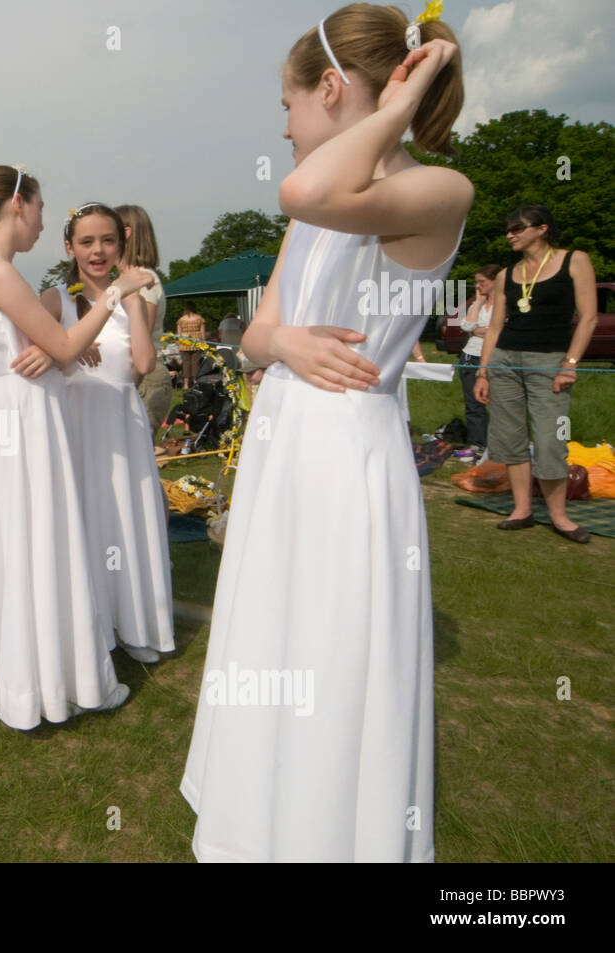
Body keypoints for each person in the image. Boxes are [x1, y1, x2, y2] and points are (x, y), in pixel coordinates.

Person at [181, 2, 473, 862]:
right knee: (273, 638)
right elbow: (252, 338)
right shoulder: (317, 216)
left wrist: (393, 109)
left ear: (335, 88)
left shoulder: (438, 188)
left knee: (331, 657)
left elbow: (306, 185)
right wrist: (287, 342)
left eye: (290, 100)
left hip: (347, 454)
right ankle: (258, 823)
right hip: (282, 443)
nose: (283, 121)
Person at [0, 164, 155, 730]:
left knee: (22, 538)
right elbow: (65, 342)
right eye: (40, 208)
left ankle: (30, 671)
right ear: (18, 205)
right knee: (41, 535)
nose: (43, 221)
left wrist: (61, 353)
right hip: (24, 418)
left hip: (16, 409)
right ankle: (58, 677)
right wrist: (117, 291)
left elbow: (53, 349)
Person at [42, 203, 174, 663]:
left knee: (123, 517)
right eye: (86, 242)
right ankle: (88, 624)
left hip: (121, 419)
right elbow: (42, 359)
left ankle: (134, 620)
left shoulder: (136, 293)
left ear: (121, 243)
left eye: (107, 241)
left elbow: (143, 363)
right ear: (69, 247)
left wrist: (130, 296)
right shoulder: (55, 297)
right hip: (74, 421)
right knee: (82, 517)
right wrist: (75, 349)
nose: (97, 251)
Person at [474, 205, 597, 543]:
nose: (510, 234)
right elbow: (495, 326)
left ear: (542, 229)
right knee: (509, 437)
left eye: (517, 228)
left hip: (549, 361)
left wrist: (569, 364)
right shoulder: (505, 275)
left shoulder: (575, 260)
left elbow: (588, 318)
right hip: (504, 361)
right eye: (508, 228)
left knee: (549, 440)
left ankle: (559, 517)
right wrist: (483, 373)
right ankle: (522, 510)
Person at [117, 205, 172, 436]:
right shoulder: (127, 279)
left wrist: (124, 387)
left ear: (126, 233)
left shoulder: (144, 280)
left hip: (144, 378)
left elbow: (142, 339)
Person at [454, 264, 499, 454]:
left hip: (495, 357)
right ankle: (477, 443)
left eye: (482, 282)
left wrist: (480, 331)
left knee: (498, 402)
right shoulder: (477, 304)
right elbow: (466, 325)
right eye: (476, 283)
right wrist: (479, 302)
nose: (478, 286)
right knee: (473, 402)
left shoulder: (505, 303)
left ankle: (499, 444)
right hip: (470, 356)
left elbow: (501, 330)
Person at [174, 301, 206, 390]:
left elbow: (179, 334)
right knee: (195, 363)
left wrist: (178, 343)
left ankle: (186, 384)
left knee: (186, 363)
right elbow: (203, 333)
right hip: (197, 342)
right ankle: (196, 382)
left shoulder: (181, 320)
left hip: (184, 343)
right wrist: (204, 343)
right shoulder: (200, 318)